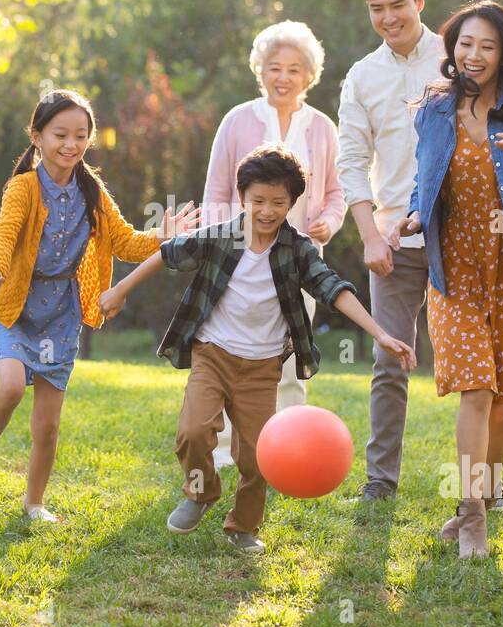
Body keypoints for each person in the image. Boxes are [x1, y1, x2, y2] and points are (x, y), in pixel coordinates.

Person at [100, 146, 415, 553]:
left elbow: (334, 290)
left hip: (262, 366)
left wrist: (381, 333)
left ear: (292, 203)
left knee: (257, 456)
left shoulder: (298, 250)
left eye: (278, 203)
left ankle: (244, 526)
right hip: (213, 353)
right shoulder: (220, 237)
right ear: (242, 198)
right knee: (193, 431)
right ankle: (200, 493)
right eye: (258, 201)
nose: (267, 211)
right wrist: (121, 289)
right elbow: (167, 253)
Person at [0, 88, 200, 521]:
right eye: (60, 134)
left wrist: (161, 236)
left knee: (47, 426)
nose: (70, 144)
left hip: (60, 316)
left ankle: (34, 503)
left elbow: (123, 241)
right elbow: (3, 235)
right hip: (14, 306)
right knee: (9, 387)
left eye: (80, 135)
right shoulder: (24, 188)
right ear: (37, 136)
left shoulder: (92, 190)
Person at [392, 0, 503, 559]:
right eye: (465, 44)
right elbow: (427, 178)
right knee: (476, 388)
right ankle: (472, 516)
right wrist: (417, 213)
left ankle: (488, 492)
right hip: (457, 267)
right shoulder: (435, 109)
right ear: (452, 49)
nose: (472, 55)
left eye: (486, 46)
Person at [202, 20, 346, 468]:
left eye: (294, 69)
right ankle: (227, 452)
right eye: (274, 67)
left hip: (299, 263)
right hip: (240, 264)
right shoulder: (237, 120)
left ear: (309, 75)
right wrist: (236, 240)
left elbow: (338, 192)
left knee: (290, 356)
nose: (283, 77)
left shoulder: (322, 127)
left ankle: (285, 451)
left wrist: (328, 220)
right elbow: (216, 195)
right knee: (234, 354)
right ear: (259, 70)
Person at [336, 0, 443, 500]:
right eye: (377, 9)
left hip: (458, 235)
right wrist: (370, 234)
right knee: (388, 358)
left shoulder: (457, 59)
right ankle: (381, 482)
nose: (388, 18)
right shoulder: (362, 76)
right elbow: (350, 160)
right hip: (393, 242)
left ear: (420, 0)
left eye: (398, 4)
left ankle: (483, 483)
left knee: (477, 366)